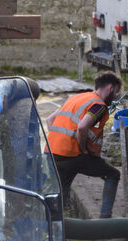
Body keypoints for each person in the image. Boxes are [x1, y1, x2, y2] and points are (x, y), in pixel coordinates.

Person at [47, 72, 123, 218]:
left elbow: (50, 120)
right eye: (116, 92)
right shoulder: (98, 105)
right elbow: (82, 127)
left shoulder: (76, 97)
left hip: (52, 152)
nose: (115, 97)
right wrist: (82, 149)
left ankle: (57, 228)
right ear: (110, 88)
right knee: (113, 175)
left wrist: (60, 141)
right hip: (73, 154)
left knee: (60, 193)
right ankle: (105, 219)